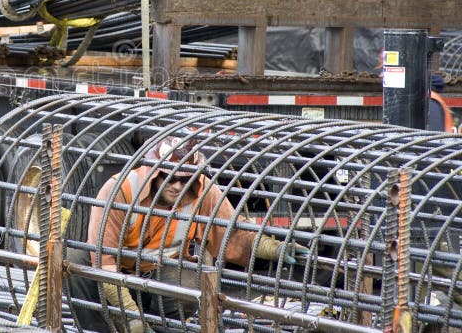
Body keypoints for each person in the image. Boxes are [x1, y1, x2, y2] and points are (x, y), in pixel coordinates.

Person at [67, 135, 308, 332]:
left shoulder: (202, 190)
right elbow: (103, 263)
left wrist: (274, 248)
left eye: (185, 180)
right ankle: (101, 328)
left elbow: (232, 233)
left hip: (159, 272)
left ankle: (164, 328)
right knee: (76, 260)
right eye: (170, 178)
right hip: (114, 274)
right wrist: (132, 317)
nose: (178, 187)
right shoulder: (121, 190)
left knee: (189, 280)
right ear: (154, 173)